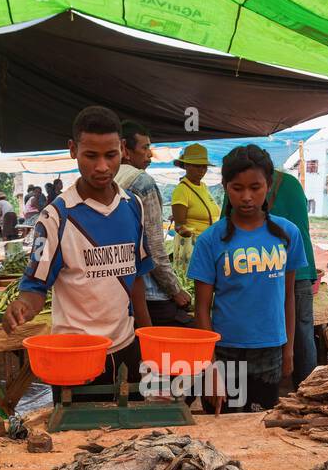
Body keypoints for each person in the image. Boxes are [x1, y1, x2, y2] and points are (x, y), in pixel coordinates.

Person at [3, 106, 153, 392]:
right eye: (90, 156)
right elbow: (35, 288)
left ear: (122, 149)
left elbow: (136, 281)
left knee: (133, 435)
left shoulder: (133, 206)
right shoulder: (55, 218)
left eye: (111, 155)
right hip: (75, 359)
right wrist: (22, 307)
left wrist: (145, 341)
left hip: (127, 351)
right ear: (73, 150)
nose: (102, 167)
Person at [189, 144, 303, 412]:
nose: (247, 197)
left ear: (269, 186)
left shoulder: (287, 234)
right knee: (222, 430)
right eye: (237, 188)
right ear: (225, 187)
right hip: (226, 351)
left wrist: (288, 349)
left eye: (256, 187)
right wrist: (210, 367)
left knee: (260, 429)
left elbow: (288, 297)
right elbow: (202, 308)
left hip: (270, 350)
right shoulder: (210, 240)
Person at [117, 120, 193, 326]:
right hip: (151, 293)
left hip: (118, 292)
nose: (150, 154)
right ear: (124, 148)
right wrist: (175, 289)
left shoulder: (106, 181)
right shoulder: (142, 181)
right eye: (145, 148)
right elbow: (153, 246)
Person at [264, 168, 318, 386]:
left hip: (270, 269)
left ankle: (272, 386)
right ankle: (309, 390)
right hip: (302, 269)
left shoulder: (242, 181)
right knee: (303, 334)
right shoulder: (292, 183)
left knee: (277, 329)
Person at [171, 144, 220, 277]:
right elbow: (179, 226)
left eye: (204, 166)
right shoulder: (182, 190)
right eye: (197, 166)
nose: (202, 170)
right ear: (186, 166)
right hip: (193, 248)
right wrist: (194, 236)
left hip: (209, 245)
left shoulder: (203, 187)